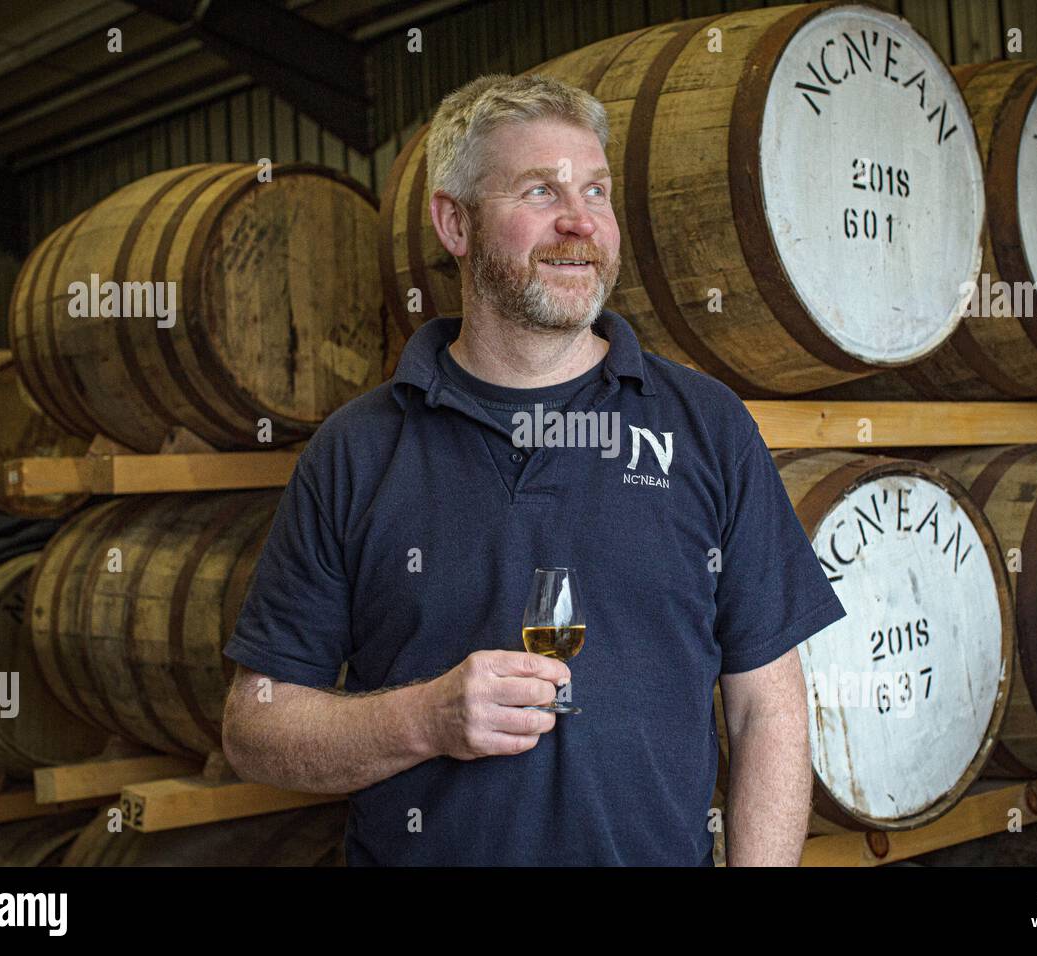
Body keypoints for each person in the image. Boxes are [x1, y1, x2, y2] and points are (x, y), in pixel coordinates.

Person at [221, 72, 847, 866]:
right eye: (540, 192)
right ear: (455, 222)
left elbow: (768, 710)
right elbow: (254, 728)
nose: (580, 221)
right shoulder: (357, 450)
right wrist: (425, 719)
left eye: (595, 191)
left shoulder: (706, 425)